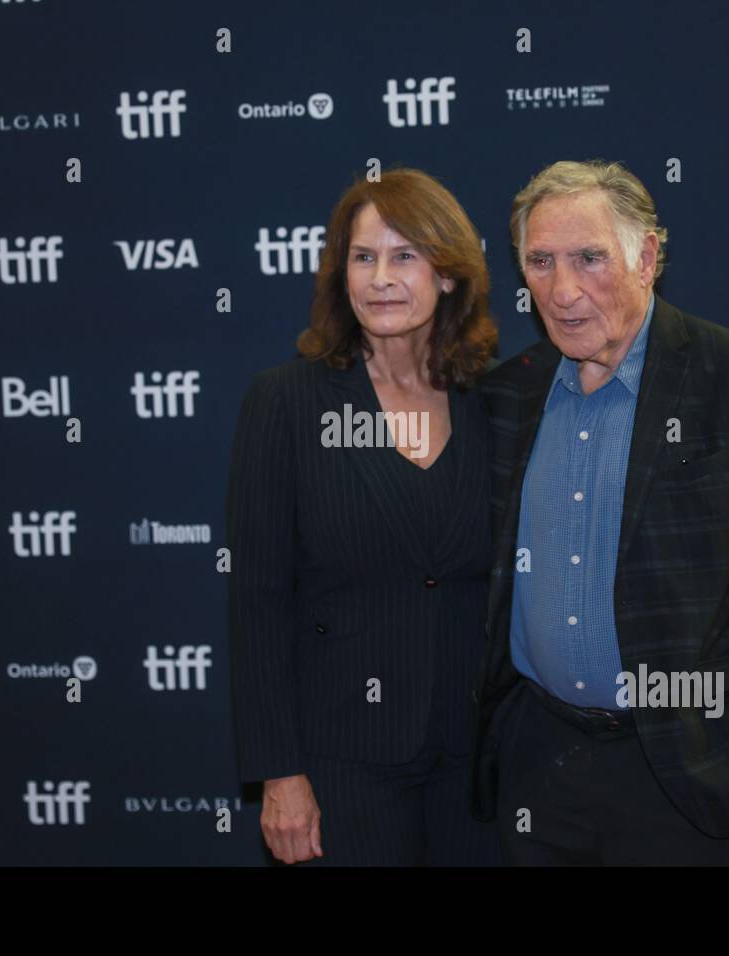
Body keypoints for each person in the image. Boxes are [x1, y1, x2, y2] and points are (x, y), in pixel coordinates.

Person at [471, 159, 729, 865]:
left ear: (646, 256)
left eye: (589, 258)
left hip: (694, 781)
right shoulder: (507, 398)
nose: (562, 291)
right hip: (543, 773)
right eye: (540, 262)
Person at [228, 168, 502, 865]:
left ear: (449, 275)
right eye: (362, 256)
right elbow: (257, 600)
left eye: (404, 255)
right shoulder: (286, 403)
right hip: (341, 764)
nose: (380, 277)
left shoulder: (495, 401)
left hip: (476, 767)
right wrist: (279, 774)